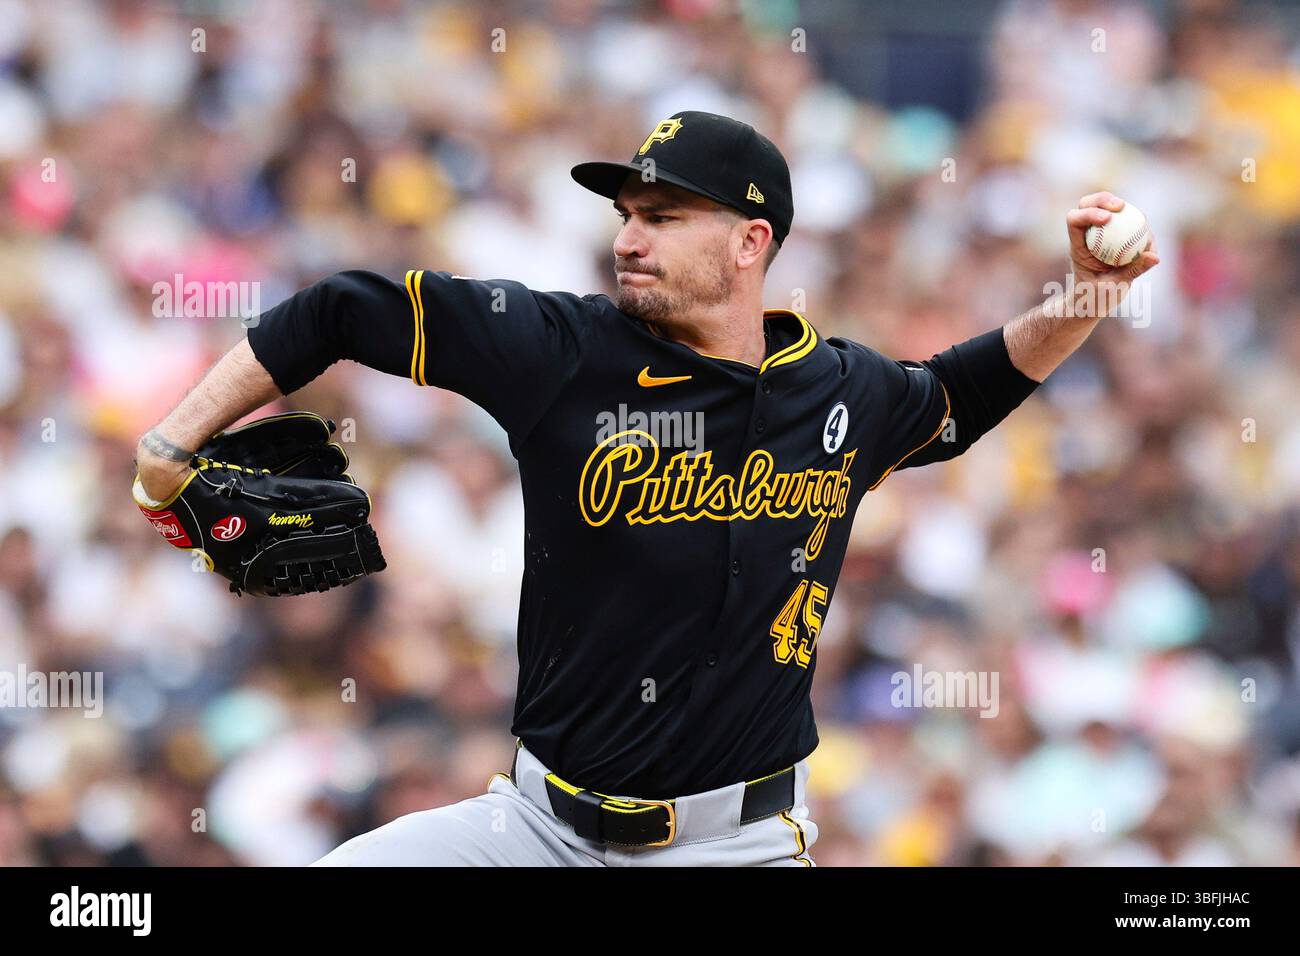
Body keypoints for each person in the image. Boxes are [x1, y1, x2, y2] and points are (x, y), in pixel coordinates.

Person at [134, 111, 1159, 866]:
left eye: (663, 215)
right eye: (627, 212)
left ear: (749, 241)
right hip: (532, 828)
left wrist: (1085, 295)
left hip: (735, 843)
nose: (628, 236)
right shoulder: (561, 349)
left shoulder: (841, 390)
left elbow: (962, 390)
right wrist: (175, 438)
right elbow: (337, 310)